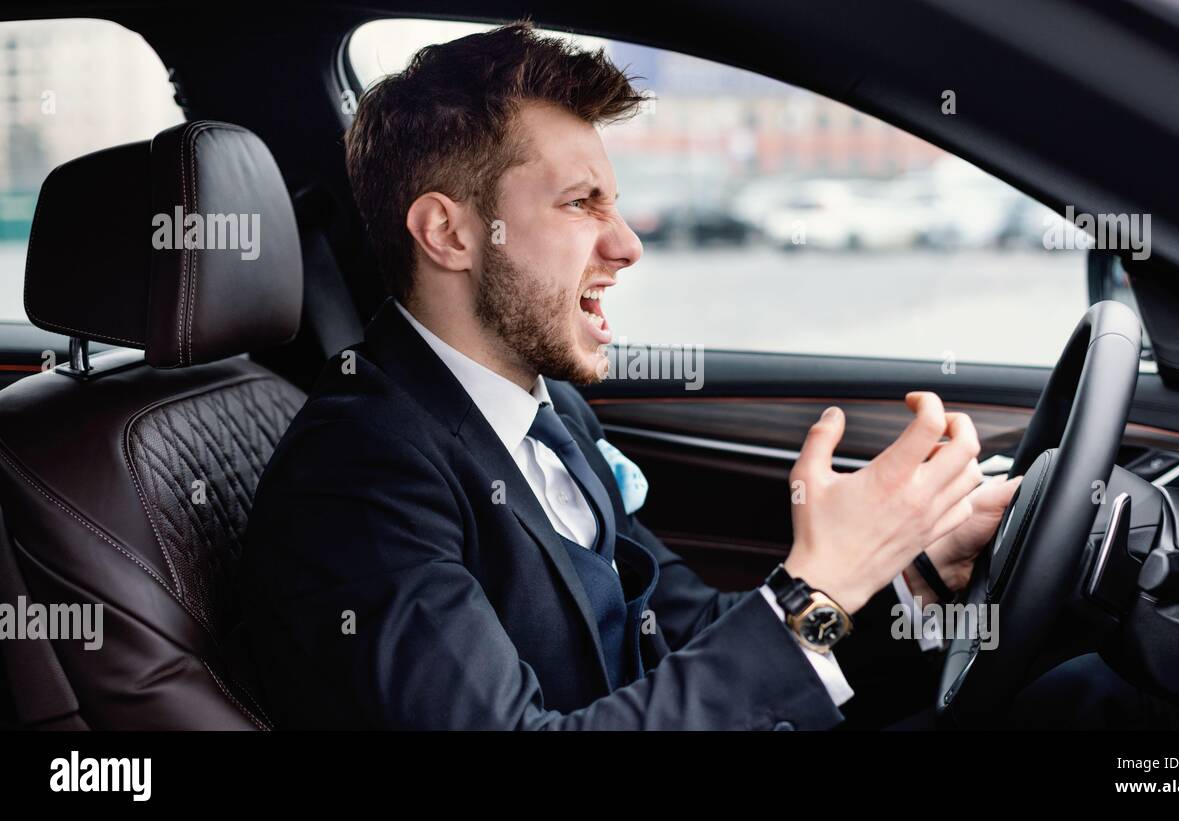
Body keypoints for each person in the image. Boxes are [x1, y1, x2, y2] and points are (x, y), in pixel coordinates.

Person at [238, 20, 1019, 730]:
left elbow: (686, 636)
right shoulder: (356, 475)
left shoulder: (554, 414)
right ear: (449, 232)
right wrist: (813, 587)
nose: (627, 245)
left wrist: (912, 567)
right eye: (582, 204)